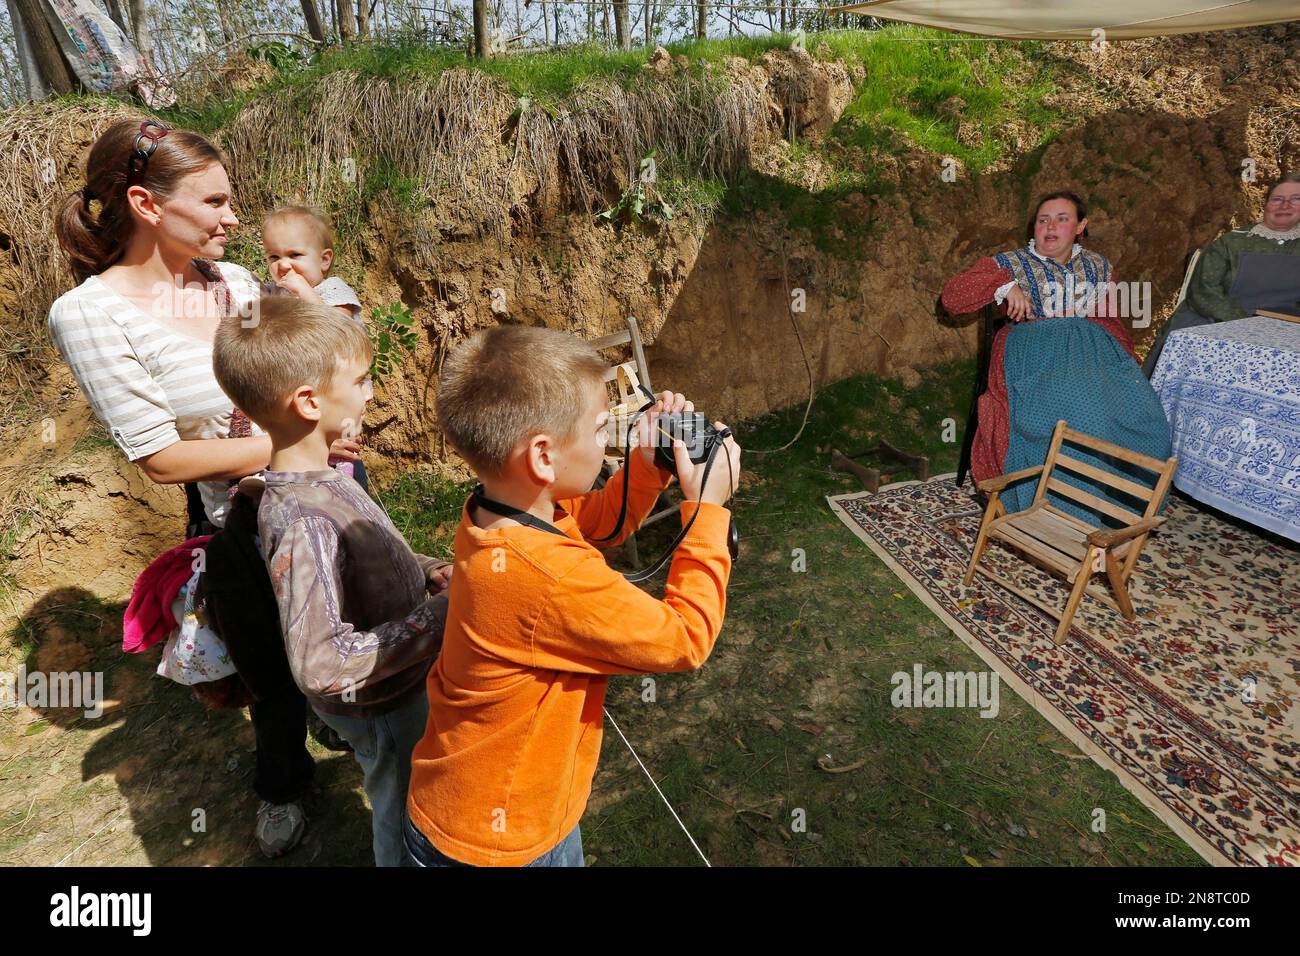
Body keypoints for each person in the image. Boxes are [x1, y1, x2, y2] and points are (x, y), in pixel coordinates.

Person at [47, 118, 358, 856]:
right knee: (268, 667)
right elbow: (159, 458)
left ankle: (345, 718)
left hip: (320, 489)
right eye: (215, 201)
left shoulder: (238, 284)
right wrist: (293, 441)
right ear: (146, 205)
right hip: (239, 522)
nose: (234, 217)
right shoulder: (89, 314)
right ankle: (281, 786)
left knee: (343, 632)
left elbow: (287, 378)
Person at [403, 324, 741, 867]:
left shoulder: (500, 512)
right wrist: (708, 512)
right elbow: (684, 638)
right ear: (542, 456)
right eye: (602, 427)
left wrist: (649, 463)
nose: (610, 438)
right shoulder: (544, 575)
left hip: (500, 808)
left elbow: (599, 526)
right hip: (499, 843)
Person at [212, 294, 451, 866]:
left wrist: (420, 568)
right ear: (309, 401)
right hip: (384, 704)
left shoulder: (318, 476)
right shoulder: (303, 518)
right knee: (402, 807)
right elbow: (320, 663)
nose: (371, 393)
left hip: (393, 691)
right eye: (363, 380)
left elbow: (361, 550)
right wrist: (436, 619)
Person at [942, 190, 1171, 522]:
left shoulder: (1099, 266)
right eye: (1042, 220)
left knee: (1146, 417)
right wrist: (1004, 286)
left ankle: (1122, 507)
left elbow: (1110, 319)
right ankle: (1067, 515)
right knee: (1083, 419)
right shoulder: (1010, 263)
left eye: (1062, 219)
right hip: (1035, 352)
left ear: (1080, 226)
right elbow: (953, 297)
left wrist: (1124, 362)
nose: (1050, 227)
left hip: (1093, 354)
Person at [1142, 171, 1300, 376]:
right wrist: (1247, 326)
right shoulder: (1231, 243)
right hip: (1215, 321)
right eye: (1277, 199)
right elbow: (1203, 292)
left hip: (1283, 331)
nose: (1284, 206)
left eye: (1295, 199)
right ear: (1266, 203)